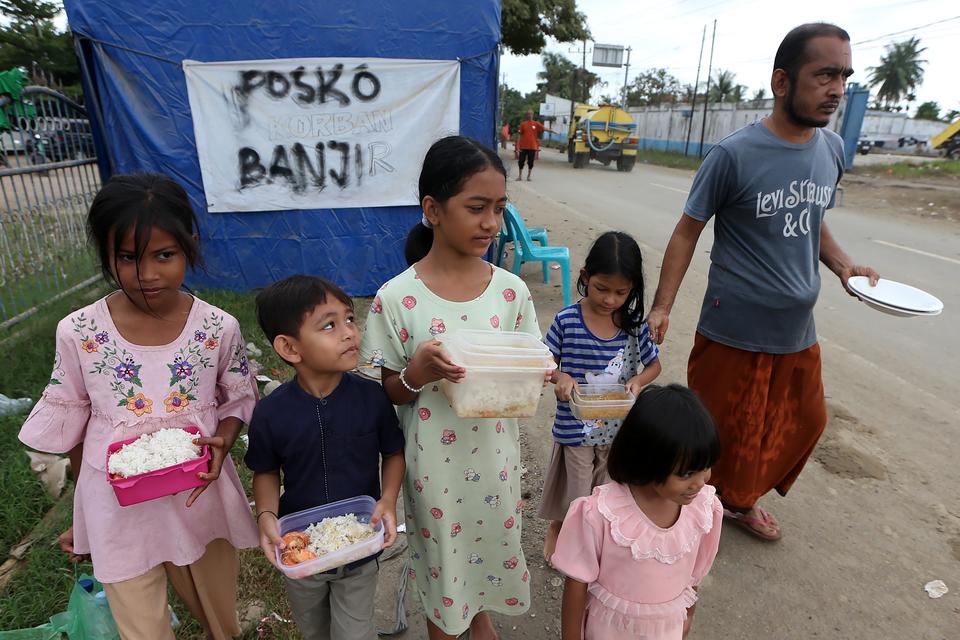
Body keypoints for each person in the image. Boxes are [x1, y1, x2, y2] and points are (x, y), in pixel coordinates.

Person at [645, 23, 879, 541]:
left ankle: (736, 498)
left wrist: (842, 265)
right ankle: (692, 516)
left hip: (797, 330)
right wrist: (662, 307)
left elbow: (812, 217)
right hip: (734, 328)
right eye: (824, 75)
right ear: (781, 81)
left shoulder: (832, 149)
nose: (837, 88)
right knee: (720, 434)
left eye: (843, 75)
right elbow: (687, 232)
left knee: (803, 421)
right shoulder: (734, 155)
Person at [18, 173, 260, 639]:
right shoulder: (80, 333)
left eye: (163, 256)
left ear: (190, 245)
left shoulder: (217, 328)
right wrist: (82, 514)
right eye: (127, 258)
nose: (146, 274)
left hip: (197, 490)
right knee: (140, 624)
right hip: (117, 504)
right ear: (107, 256)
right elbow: (72, 422)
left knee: (218, 613)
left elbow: (238, 395)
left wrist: (223, 444)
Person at [362, 135, 540, 640]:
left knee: (477, 576)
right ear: (433, 210)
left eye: (499, 209)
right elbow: (388, 392)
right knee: (446, 587)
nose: (490, 222)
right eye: (476, 207)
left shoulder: (511, 293)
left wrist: (536, 371)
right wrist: (417, 372)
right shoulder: (397, 298)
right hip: (434, 474)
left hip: (494, 462)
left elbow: (529, 365)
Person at [245, 275, 405, 640]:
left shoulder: (371, 397)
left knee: (354, 633)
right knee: (314, 630)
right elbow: (266, 471)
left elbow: (393, 452)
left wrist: (388, 499)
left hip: (358, 548)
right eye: (330, 325)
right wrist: (267, 516)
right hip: (302, 547)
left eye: (350, 319)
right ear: (290, 348)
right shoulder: (271, 413)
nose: (349, 332)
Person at [553, 384, 722, 640]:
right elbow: (577, 583)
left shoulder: (703, 509)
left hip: (666, 629)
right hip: (611, 631)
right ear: (647, 461)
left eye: (706, 468)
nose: (700, 483)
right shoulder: (600, 514)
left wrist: (688, 614)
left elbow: (694, 574)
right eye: (686, 474)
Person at [539, 231, 662, 564]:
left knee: (607, 492)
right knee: (576, 493)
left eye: (621, 292)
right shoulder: (567, 320)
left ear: (632, 289)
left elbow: (654, 366)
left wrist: (638, 380)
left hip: (618, 428)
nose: (609, 300)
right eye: (602, 289)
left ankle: (597, 544)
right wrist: (560, 376)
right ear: (585, 278)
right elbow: (545, 361)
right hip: (576, 427)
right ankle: (560, 530)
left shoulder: (634, 327)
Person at [516, 109, 552, 181]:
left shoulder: (536, 123)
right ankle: (520, 176)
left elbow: (543, 128)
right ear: (526, 115)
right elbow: (519, 135)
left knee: (530, 162)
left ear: (533, 115)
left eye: (531, 114)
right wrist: (518, 145)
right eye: (528, 114)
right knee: (521, 161)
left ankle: (528, 176)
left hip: (532, 146)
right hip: (523, 146)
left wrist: (552, 131)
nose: (530, 115)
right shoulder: (523, 124)